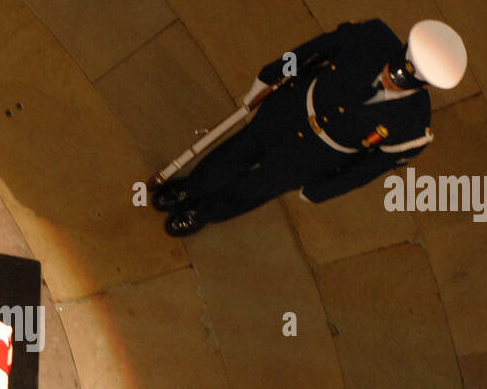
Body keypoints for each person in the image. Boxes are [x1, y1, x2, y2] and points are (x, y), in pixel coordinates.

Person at [155, 18, 466, 237]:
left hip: (315, 156)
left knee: (255, 188)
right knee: (236, 151)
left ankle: (204, 213)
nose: (387, 78)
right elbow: (314, 49)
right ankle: (192, 187)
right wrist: (271, 75)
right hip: (291, 108)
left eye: (397, 83)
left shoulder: (414, 127)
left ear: (424, 85)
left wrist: (326, 190)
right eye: (389, 70)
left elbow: (371, 167)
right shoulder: (373, 37)